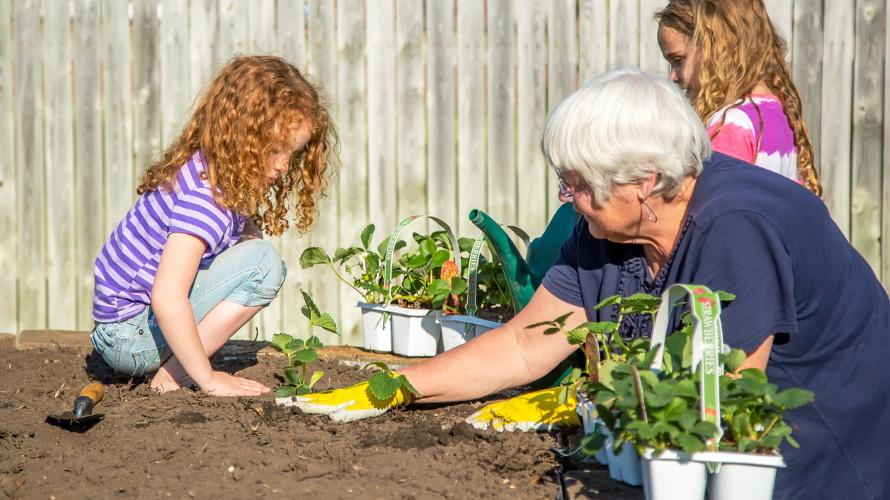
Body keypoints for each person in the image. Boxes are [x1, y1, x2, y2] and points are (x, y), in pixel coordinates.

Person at [293, 68, 889, 499]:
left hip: (822, 464)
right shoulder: (614, 227)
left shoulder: (735, 228)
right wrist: (396, 387)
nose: (567, 199)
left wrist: (589, 407)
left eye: (576, 184)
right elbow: (528, 341)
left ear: (643, 182)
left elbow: (728, 395)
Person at [90, 55, 338, 397]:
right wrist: (207, 378)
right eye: (275, 150)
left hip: (119, 329)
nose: (283, 165)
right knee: (264, 265)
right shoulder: (205, 200)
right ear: (242, 135)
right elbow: (166, 297)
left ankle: (181, 361)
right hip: (129, 339)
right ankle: (176, 374)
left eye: (292, 155)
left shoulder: (207, 171)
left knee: (253, 249)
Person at [656, 0, 823, 197]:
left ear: (716, 48)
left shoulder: (732, 126)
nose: (672, 76)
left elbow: (720, 217)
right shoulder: (777, 111)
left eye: (678, 60)